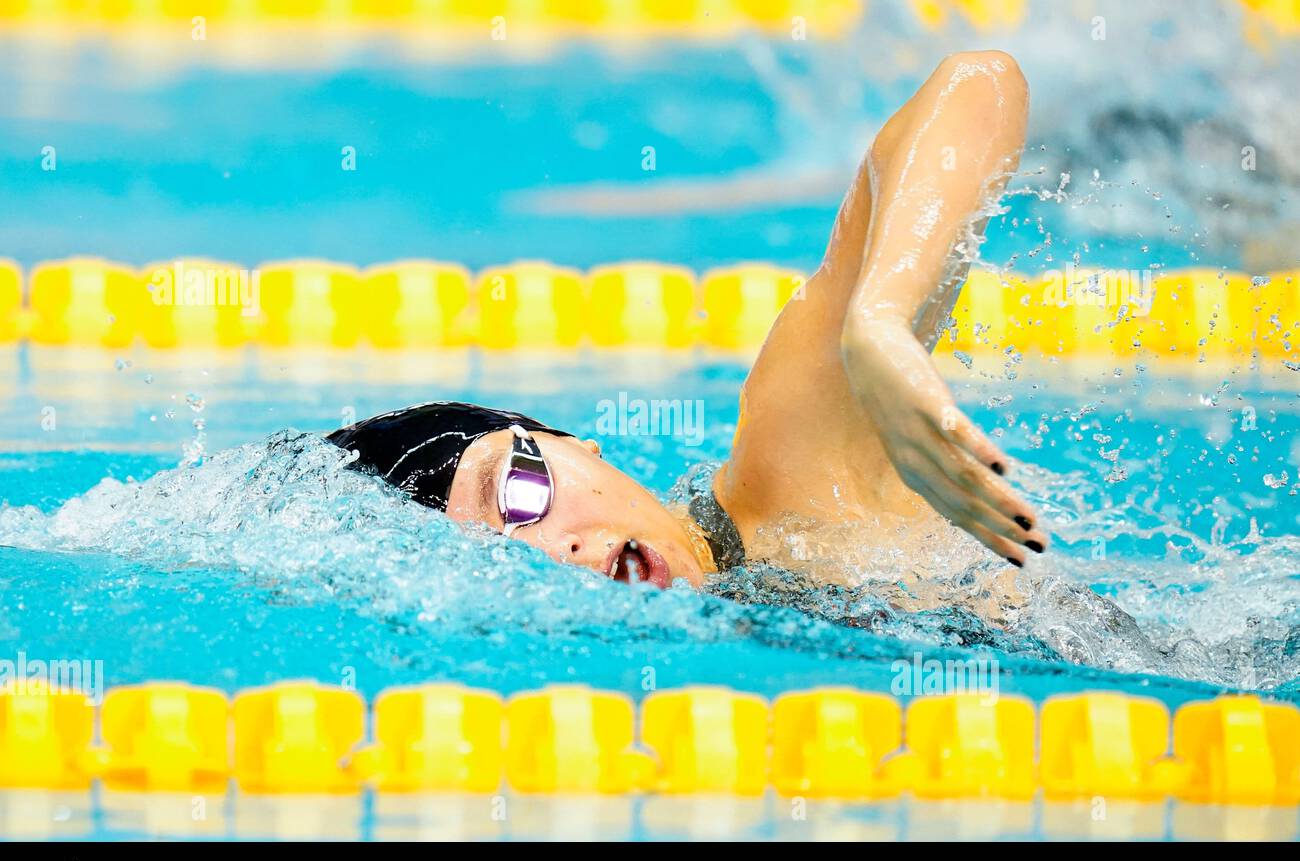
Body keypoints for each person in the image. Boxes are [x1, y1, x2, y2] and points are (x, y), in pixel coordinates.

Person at [329, 50, 1050, 591]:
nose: (558, 553)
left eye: (520, 496)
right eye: (499, 565)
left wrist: (880, 320)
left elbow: (980, 86)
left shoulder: (798, 495)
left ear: (583, 449)